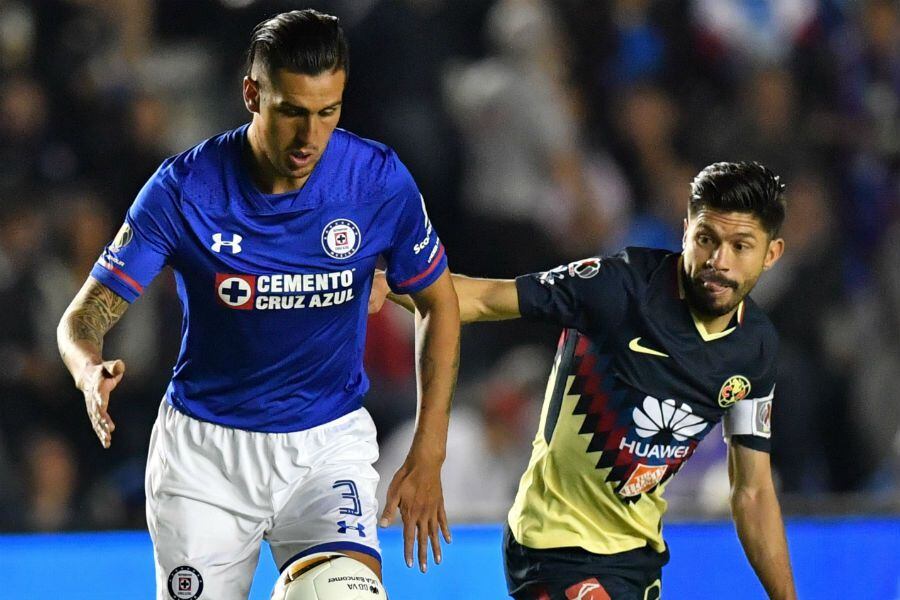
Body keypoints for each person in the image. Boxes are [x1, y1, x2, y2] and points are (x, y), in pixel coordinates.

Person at [57, 10, 460, 599]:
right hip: (205, 459)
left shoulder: (376, 182)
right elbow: (84, 315)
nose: (310, 137)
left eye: (328, 112)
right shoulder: (185, 189)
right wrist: (88, 369)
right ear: (252, 95)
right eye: (292, 111)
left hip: (326, 446)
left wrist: (430, 449)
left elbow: (439, 303)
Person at [371, 162, 797, 599]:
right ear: (687, 231)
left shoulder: (755, 348)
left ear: (771, 253)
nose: (718, 261)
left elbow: (752, 491)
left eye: (740, 246)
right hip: (553, 544)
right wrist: (390, 283)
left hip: (637, 554)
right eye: (707, 239)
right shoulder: (619, 287)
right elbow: (484, 298)